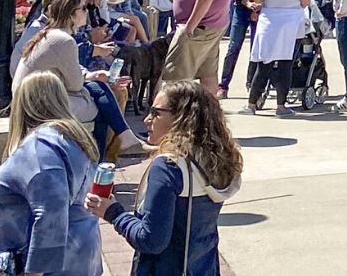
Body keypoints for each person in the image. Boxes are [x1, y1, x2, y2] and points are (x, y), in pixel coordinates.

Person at [87, 80, 242, 276]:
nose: (146, 120)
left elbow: (151, 240)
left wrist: (112, 211)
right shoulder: (216, 158)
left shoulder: (169, 167)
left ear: (182, 117)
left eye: (156, 112)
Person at [0, 72, 103, 276]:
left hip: (44, 267)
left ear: (23, 103)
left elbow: (51, 214)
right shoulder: (75, 139)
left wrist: (34, 272)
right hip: (80, 256)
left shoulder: (40, 148)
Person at [12, 0, 140, 157]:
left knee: (97, 86)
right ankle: (98, 164)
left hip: (34, 97)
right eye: (83, 8)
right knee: (100, 107)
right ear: (72, 15)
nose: (87, 12)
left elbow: (72, 70)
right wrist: (90, 78)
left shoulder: (53, 34)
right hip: (38, 103)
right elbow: (75, 84)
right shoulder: (64, 40)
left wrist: (92, 75)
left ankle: (120, 142)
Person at [245, 0, 313, 114]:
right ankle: (281, 106)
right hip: (291, 21)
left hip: (268, 21)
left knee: (263, 64)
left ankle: (251, 104)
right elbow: (305, 2)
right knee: (286, 64)